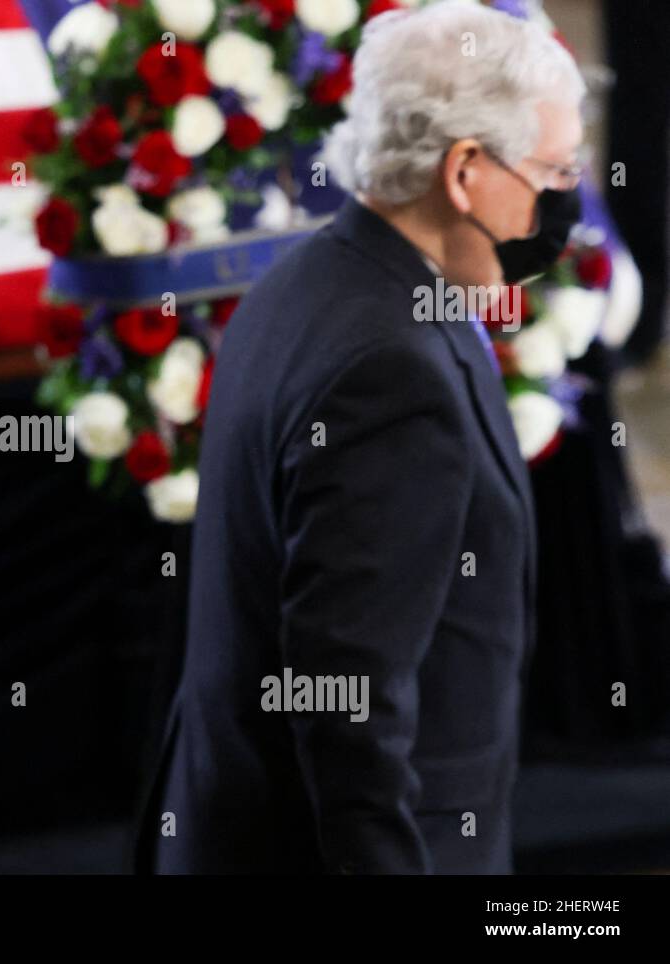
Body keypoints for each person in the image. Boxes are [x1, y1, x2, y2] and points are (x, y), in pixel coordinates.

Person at [138, 4, 585, 874]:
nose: (565, 198)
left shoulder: (307, 282)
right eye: (554, 169)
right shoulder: (392, 372)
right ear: (464, 171)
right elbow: (349, 710)